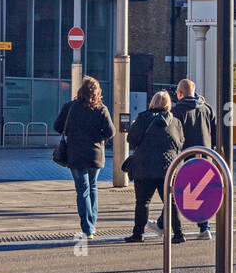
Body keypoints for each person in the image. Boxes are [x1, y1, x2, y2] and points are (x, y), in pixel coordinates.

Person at [53, 76, 116, 240]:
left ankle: (87, 228)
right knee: (93, 187)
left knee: (82, 191)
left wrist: (72, 133)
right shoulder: (102, 109)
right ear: (97, 92)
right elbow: (111, 132)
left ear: (81, 90)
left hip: (76, 154)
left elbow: (57, 126)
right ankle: (92, 224)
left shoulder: (70, 107)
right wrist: (98, 136)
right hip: (95, 154)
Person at [124, 90, 185, 244]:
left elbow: (132, 138)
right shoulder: (175, 121)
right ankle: (178, 234)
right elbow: (181, 142)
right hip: (168, 168)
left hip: (145, 167)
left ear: (153, 102)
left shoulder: (143, 117)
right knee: (171, 202)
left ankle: (138, 234)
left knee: (143, 202)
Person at [165, 79, 217, 240]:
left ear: (180, 93)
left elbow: (173, 135)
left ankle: (162, 224)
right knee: (202, 191)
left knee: (178, 191)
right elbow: (215, 131)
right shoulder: (207, 108)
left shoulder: (177, 111)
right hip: (206, 155)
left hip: (184, 157)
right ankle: (205, 228)